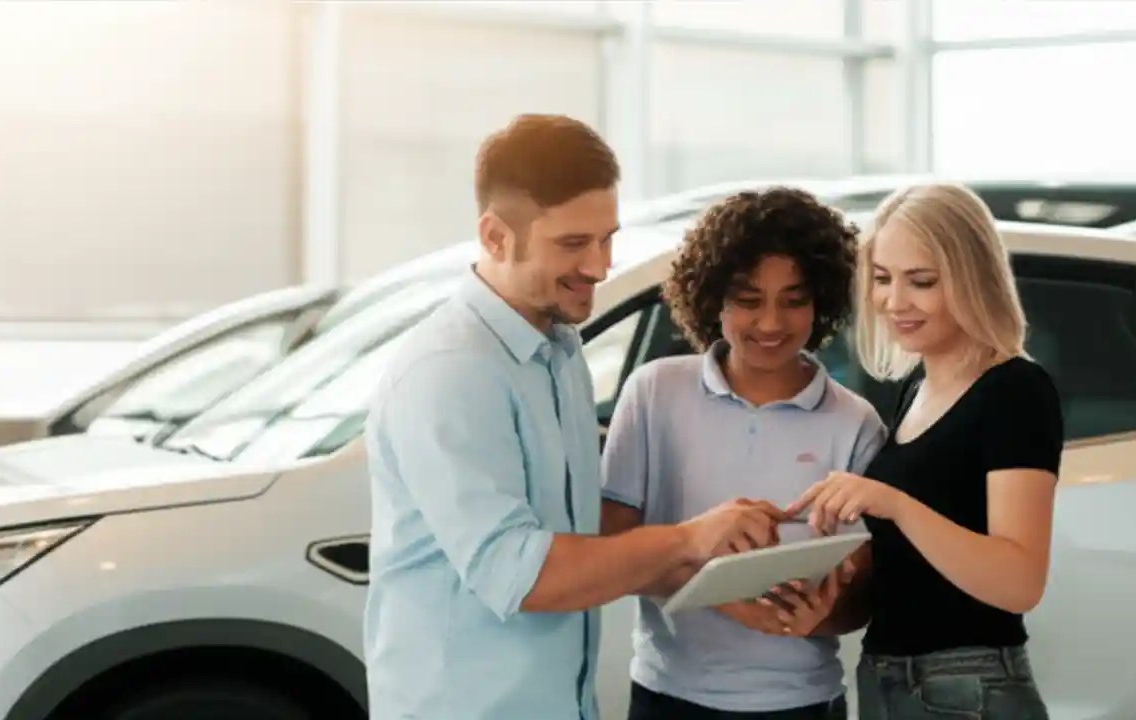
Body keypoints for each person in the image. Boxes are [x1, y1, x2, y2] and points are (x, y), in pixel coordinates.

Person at [363, 114, 784, 720]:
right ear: (495, 236)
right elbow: (523, 575)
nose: (599, 266)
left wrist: (710, 579)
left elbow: (581, 548)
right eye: (573, 244)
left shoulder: (557, 352)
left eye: (606, 238)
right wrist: (690, 537)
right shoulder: (452, 370)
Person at [601, 188, 887, 720]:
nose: (772, 323)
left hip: (803, 704)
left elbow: (866, 594)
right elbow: (611, 546)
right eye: (749, 300)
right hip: (669, 698)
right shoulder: (655, 392)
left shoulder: (855, 424)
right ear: (714, 299)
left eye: (794, 299)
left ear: (821, 300)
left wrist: (820, 617)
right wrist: (714, 592)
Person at [787, 183, 1063, 719]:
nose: (894, 301)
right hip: (891, 680)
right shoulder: (917, 389)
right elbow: (920, 573)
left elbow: (1019, 581)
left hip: (967, 688)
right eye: (883, 278)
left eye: (922, 281)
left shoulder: (1015, 389)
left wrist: (892, 502)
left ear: (973, 278)